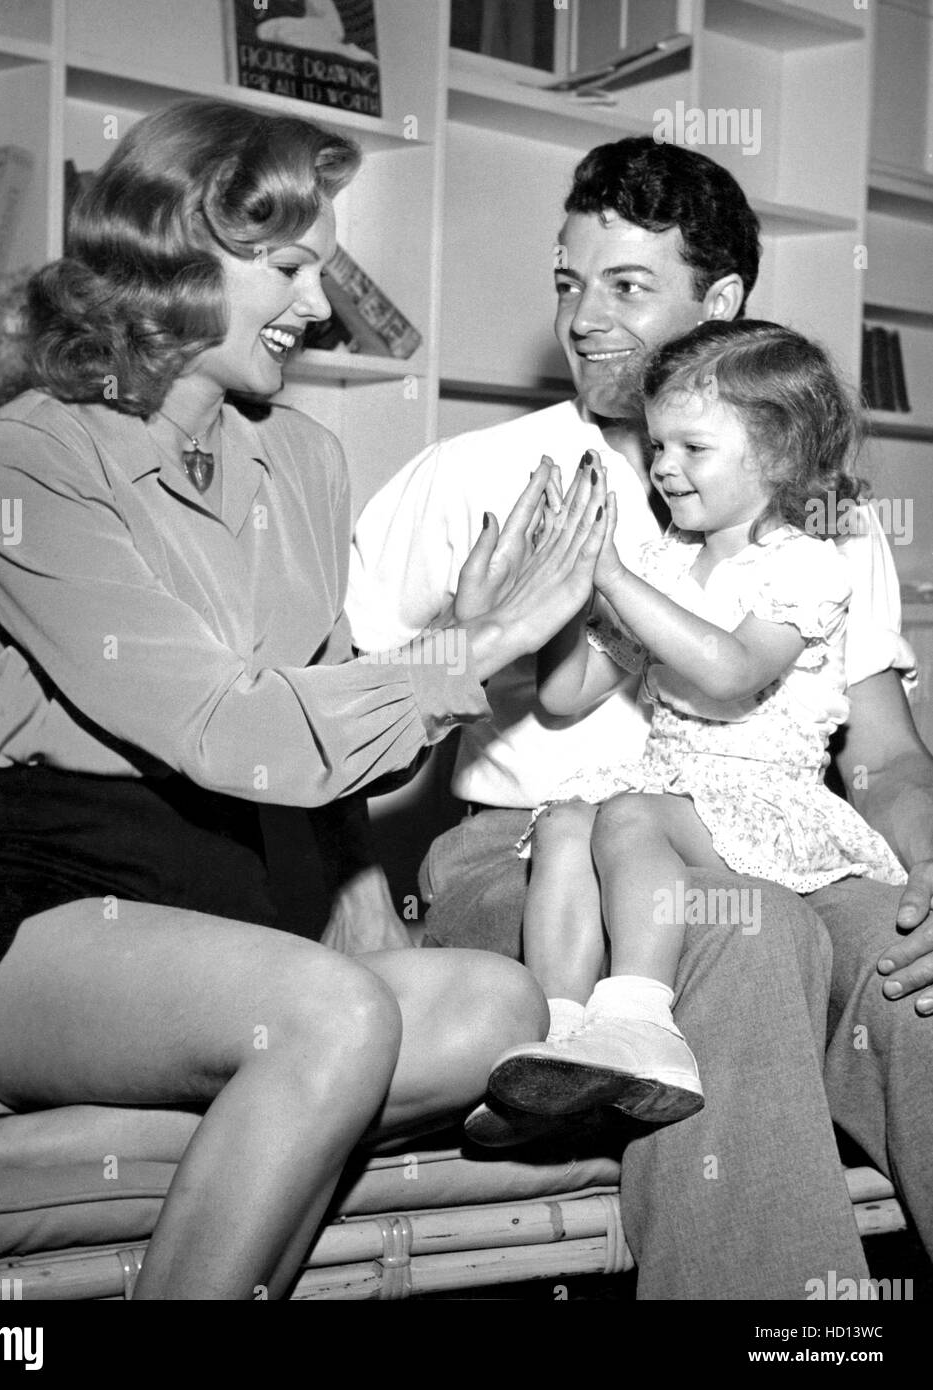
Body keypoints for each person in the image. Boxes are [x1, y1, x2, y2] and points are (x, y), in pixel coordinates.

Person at [0, 99, 617, 1300]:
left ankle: (20, 1138)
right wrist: (479, 645)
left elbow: (347, 764)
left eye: (320, 269)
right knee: (328, 1020)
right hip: (43, 919)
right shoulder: (18, 460)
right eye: (286, 267)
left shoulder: (307, 459)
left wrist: (448, 645)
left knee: (498, 1004)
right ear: (172, 258)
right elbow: (232, 729)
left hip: (250, 937)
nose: (319, 306)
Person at [348, 137, 933, 1299]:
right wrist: (482, 631)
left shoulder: (822, 519)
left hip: (772, 830)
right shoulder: (472, 479)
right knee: (743, 931)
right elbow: (344, 739)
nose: (582, 319)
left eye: (627, 285)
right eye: (568, 283)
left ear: (722, 304)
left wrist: (932, 867)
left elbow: (886, 758)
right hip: (531, 849)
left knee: (914, 972)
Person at [485, 320, 906, 1130]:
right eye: (655, 446)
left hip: (768, 802)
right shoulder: (665, 563)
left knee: (628, 815)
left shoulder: (807, 565)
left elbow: (728, 669)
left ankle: (641, 1020)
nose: (664, 467)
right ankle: (558, 1037)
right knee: (567, 819)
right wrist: (567, 588)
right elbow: (565, 694)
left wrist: (611, 574)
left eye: (692, 447)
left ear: (779, 455)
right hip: (674, 787)